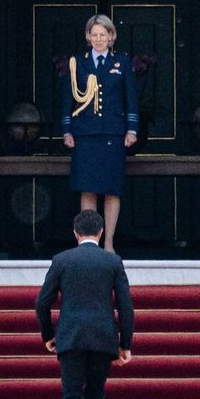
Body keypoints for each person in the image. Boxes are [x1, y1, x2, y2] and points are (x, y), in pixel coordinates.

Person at [35, 210, 134, 399]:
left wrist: (48, 334)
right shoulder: (112, 262)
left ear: (75, 233)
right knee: (95, 396)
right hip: (103, 338)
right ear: (101, 233)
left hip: (71, 338)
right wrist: (125, 343)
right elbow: (125, 306)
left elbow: (42, 301)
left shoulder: (62, 260)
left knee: (72, 396)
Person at [61, 14, 139, 253]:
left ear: (111, 36)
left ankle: (108, 243)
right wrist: (67, 130)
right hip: (85, 134)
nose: (98, 39)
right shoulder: (77, 63)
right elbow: (68, 99)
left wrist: (132, 129)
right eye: (94, 35)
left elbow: (131, 98)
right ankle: (88, 244)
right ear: (88, 36)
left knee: (112, 189)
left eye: (102, 35)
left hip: (113, 133)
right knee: (88, 188)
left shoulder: (122, 62)